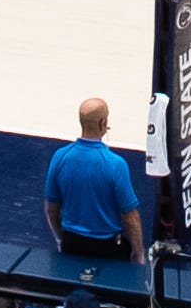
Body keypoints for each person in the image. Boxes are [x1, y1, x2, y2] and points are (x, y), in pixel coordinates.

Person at [39, 97, 144, 262]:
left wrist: (61, 239)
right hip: (109, 248)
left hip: (72, 244)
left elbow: (51, 209)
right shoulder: (115, 164)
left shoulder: (60, 157)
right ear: (103, 123)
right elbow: (130, 217)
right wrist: (139, 252)